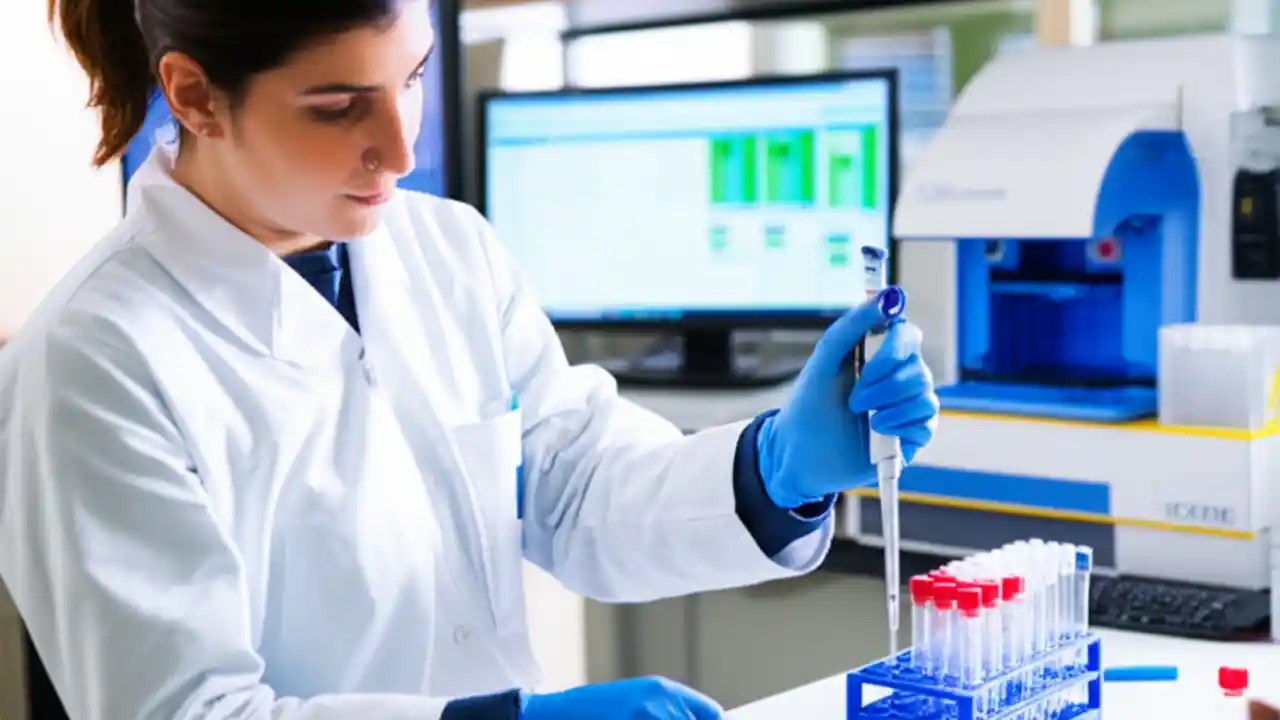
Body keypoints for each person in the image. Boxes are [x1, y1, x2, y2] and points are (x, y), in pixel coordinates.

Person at [0, 1, 939, 718]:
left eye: (412, 77)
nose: (401, 149)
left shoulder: (447, 251)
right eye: (338, 107)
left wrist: (777, 467)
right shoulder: (95, 360)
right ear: (195, 95)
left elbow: (571, 488)